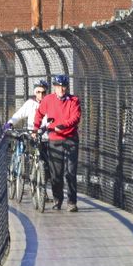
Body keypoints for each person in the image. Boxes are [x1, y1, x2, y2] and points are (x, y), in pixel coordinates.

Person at [34, 73, 81, 211]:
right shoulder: (48, 100)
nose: (61, 89)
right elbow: (39, 114)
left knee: (70, 172)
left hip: (70, 139)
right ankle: (57, 199)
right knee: (56, 173)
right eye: (59, 86)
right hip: (54, 139)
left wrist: (63, 125)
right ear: (54, 87)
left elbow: (75, 117)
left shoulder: (74, 100)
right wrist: (35, 129)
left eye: (64, 86)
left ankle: (72, 202)